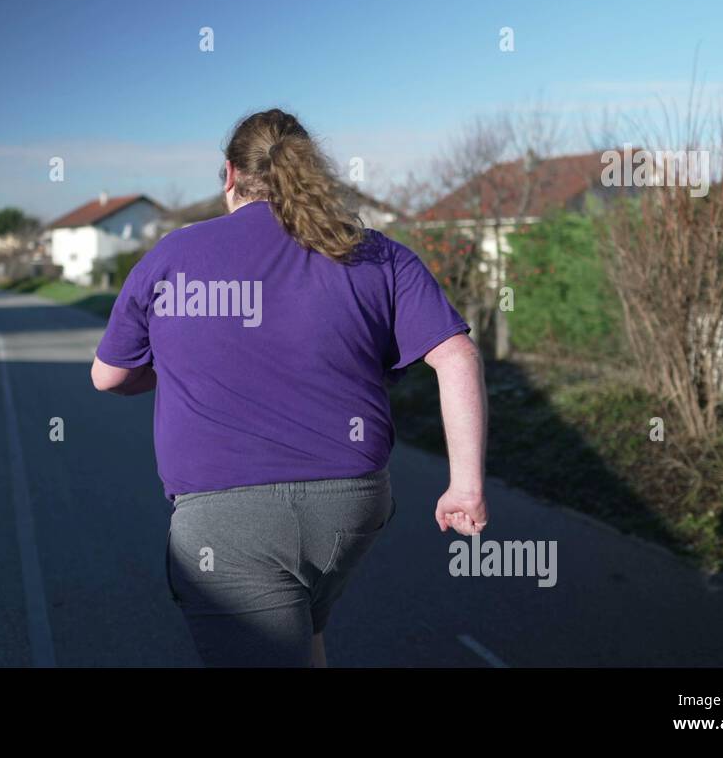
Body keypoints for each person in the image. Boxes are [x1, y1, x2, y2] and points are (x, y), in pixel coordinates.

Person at [92, 108, 489, 667]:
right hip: (352, 505)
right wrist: (464, 487)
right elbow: (457, 355)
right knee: (300, 634)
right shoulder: (373, 251)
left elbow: (108, 375)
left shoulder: (174, 255)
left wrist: (176, 362)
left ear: (229, 175)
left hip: (228, 522)